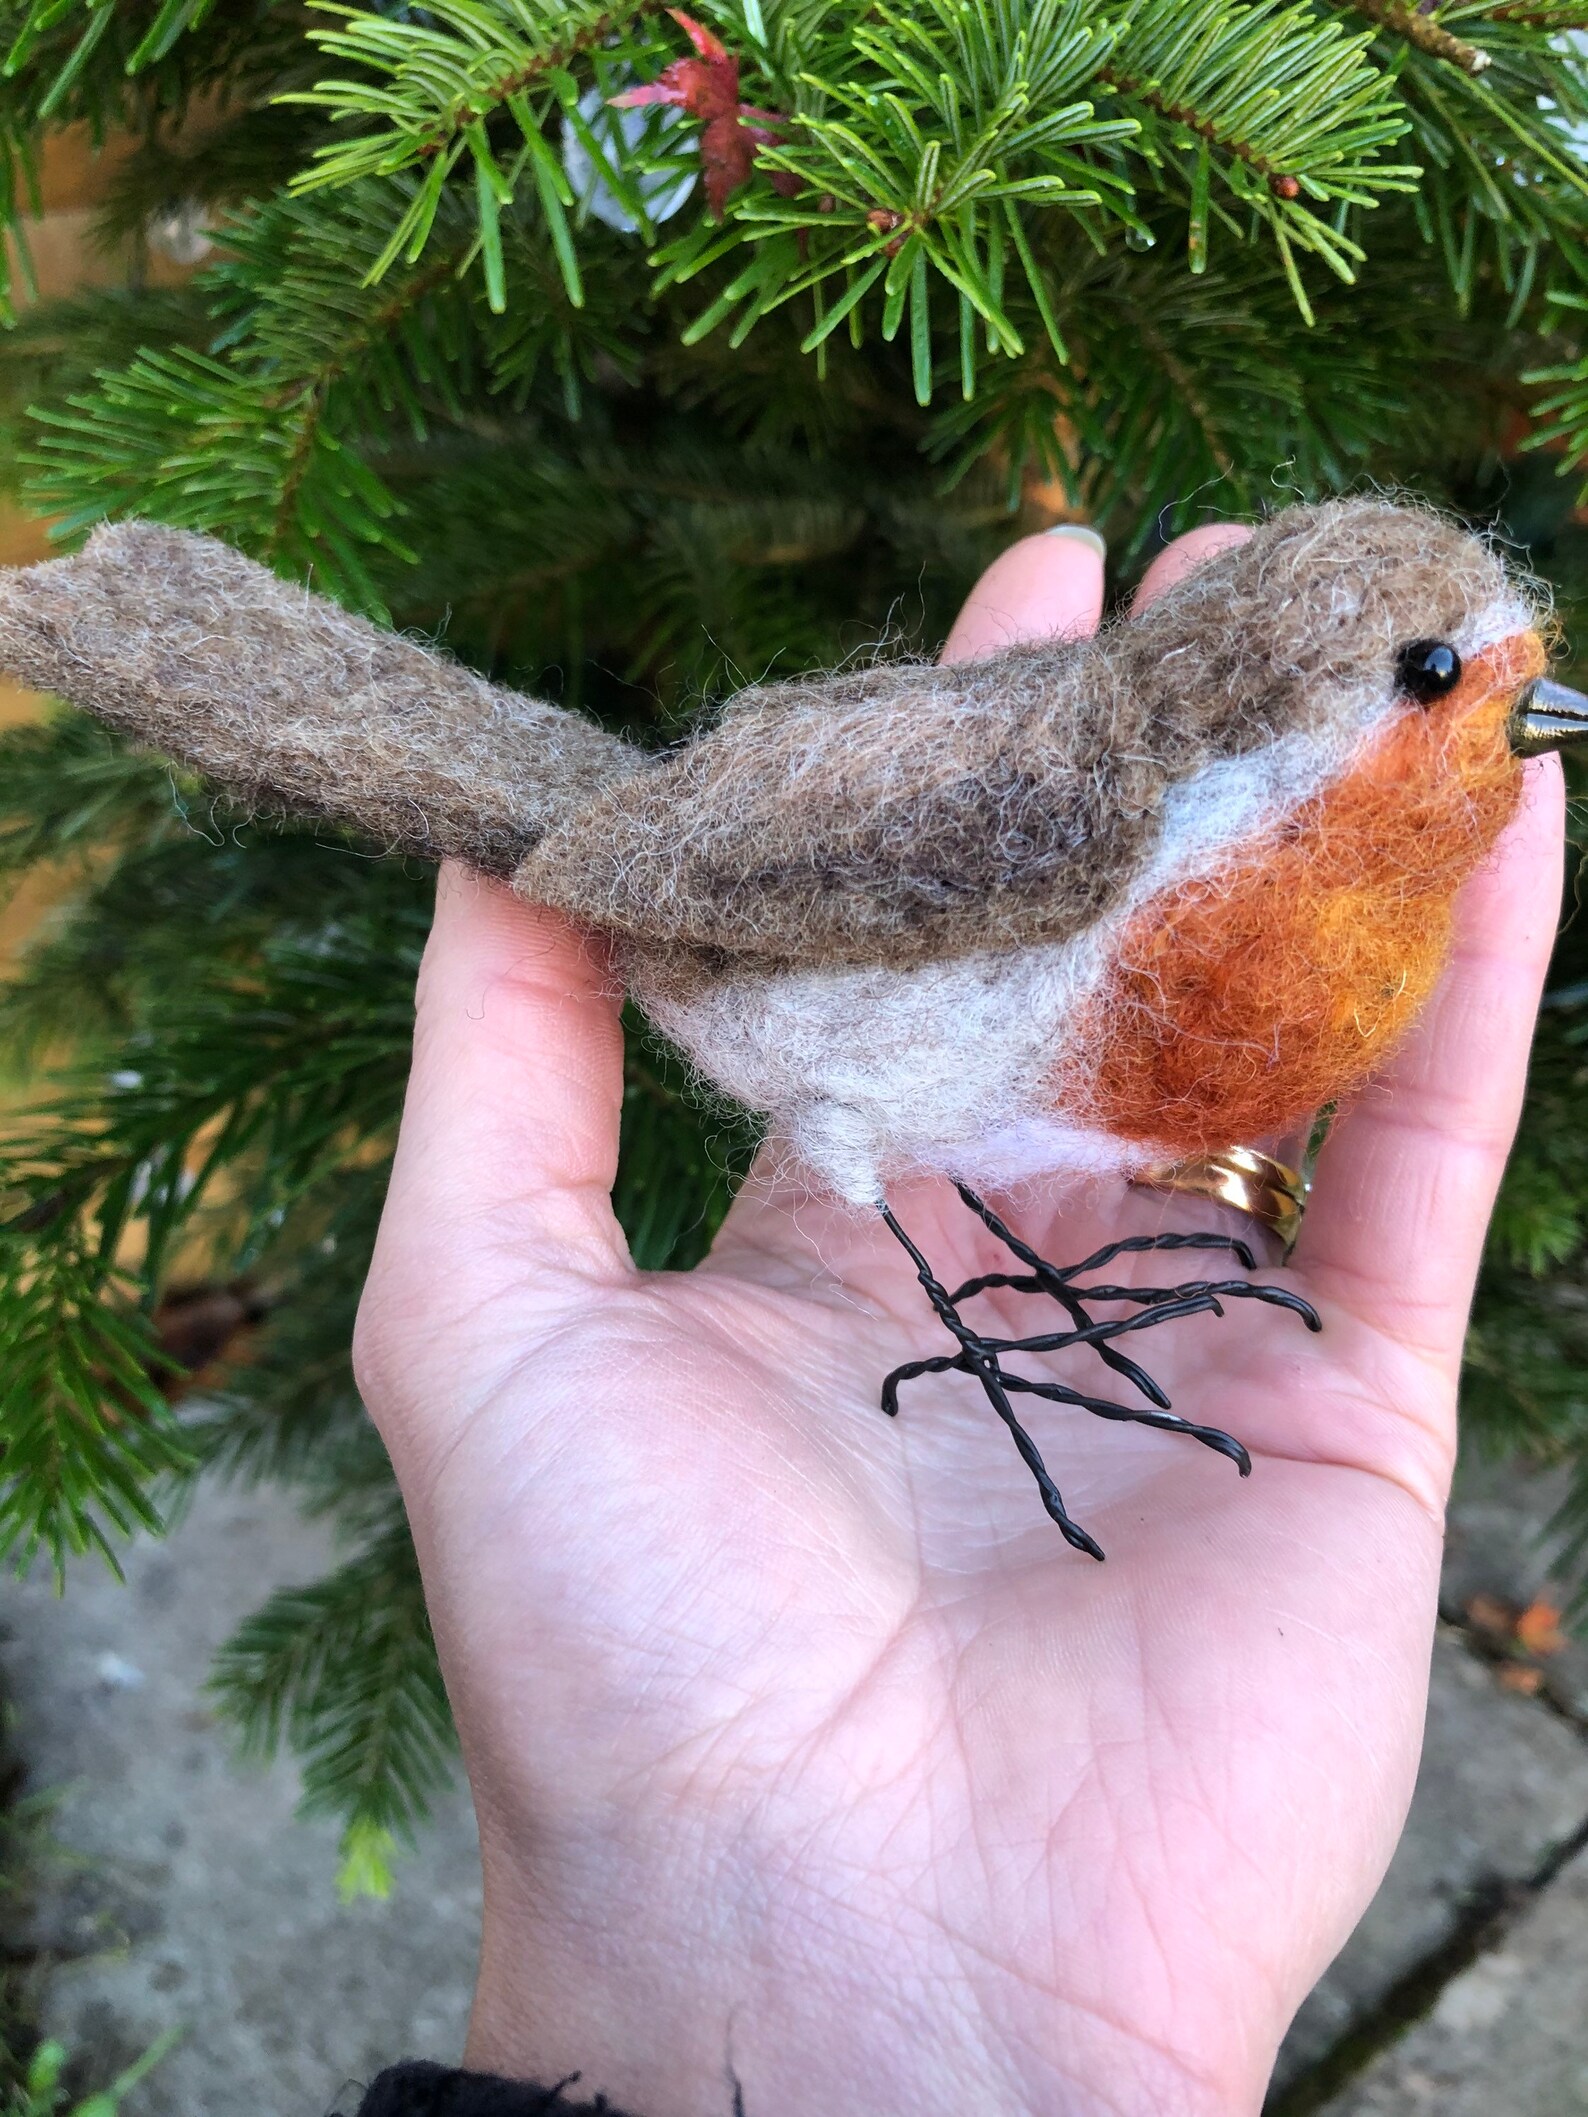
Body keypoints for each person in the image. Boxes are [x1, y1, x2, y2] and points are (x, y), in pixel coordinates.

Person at [344, 522, 1565, 2117]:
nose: (1512, 699)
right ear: (1292, 729)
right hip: (779, 964)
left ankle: (1010, 1315)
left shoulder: (1317, 905)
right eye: (1439, 676)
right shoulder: (1126, 836)